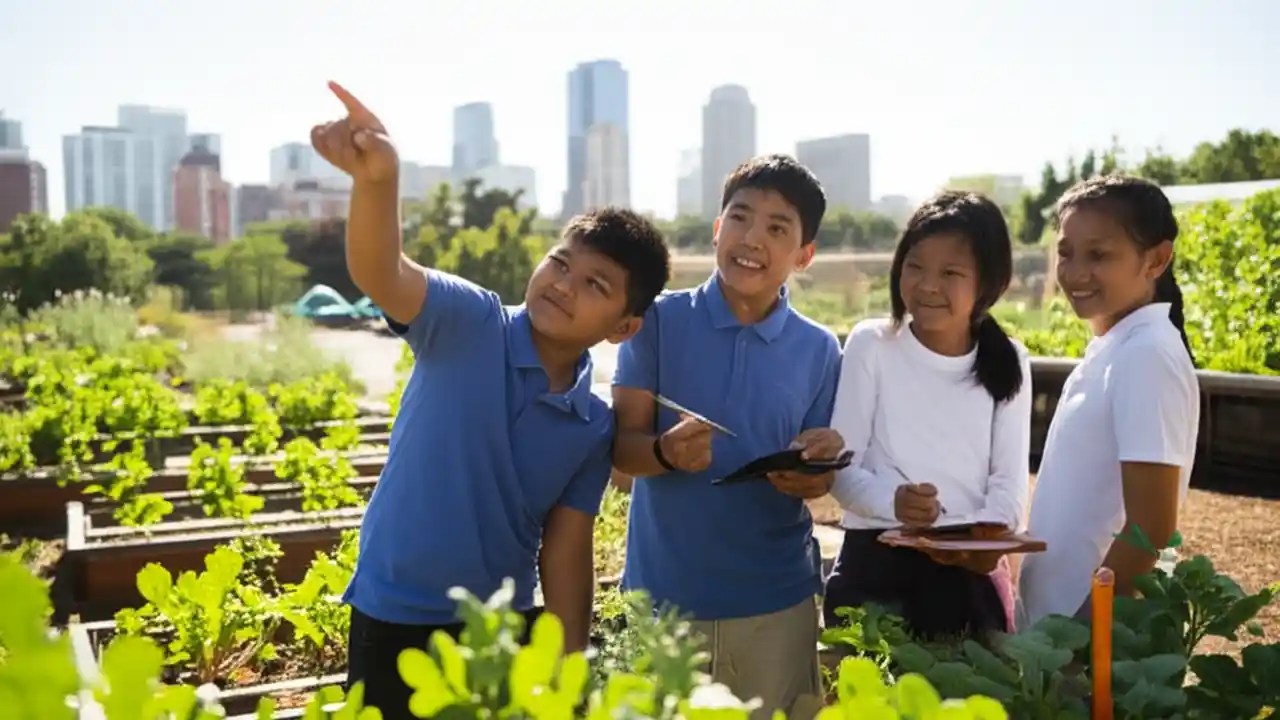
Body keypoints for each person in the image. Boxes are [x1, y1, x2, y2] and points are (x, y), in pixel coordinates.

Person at [308, 81, 672, 719]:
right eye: (560, 263)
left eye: (595, 284)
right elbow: (380, 271)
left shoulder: (592, 426)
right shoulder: (468, 320)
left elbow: (566, 550)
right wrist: (377, 181)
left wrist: (567, 672)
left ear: (624, 326)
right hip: (394, 614)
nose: (564, 285)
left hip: (504, 628)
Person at [611, 154, 842, 720]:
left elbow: (828, 479)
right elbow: (621, 453)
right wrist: (664, 452)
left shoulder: (820, 350)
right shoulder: (657, 322)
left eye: (777, 228)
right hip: (662, 600)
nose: (752, 238)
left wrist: (811, 474)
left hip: (776, 605)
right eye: (740, 218)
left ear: (804, 255)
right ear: (718, 229)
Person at [821, 191, 1032, 640]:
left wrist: (983, 539)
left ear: (989, 284)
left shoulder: (1010, 359)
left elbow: (1009, 487)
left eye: (951, 273)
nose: (927, 285)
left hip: (966, 579)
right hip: (873, 573)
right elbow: (841, 471)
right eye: (915, 267)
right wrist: (893, 503)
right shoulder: (872, 345)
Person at [1016, 175, 1200, 629]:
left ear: (1156, 259)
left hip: (1096, 649)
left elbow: (1152, 531)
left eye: (1098, 255)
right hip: (1066, 637)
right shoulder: (1118, 347)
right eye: (1066, 253)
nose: (1075, 272)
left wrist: (1077, 642)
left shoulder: (1145, 355)